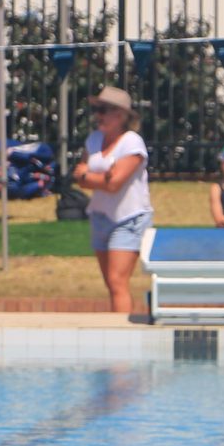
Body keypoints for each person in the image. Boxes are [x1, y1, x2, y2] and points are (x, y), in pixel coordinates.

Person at [77, 86, 152, 316]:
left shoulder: (132, 143)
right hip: (100, 216)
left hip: (128, 218)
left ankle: (122, 337)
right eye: (97, 109)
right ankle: (116, 331)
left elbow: (115, 184)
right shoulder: (93, 139)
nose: (98, 115)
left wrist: (89, 176)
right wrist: (98, 177)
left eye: (103, 110)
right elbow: (78, 174)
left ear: (120, 115)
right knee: (111, 284)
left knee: (117, 280)